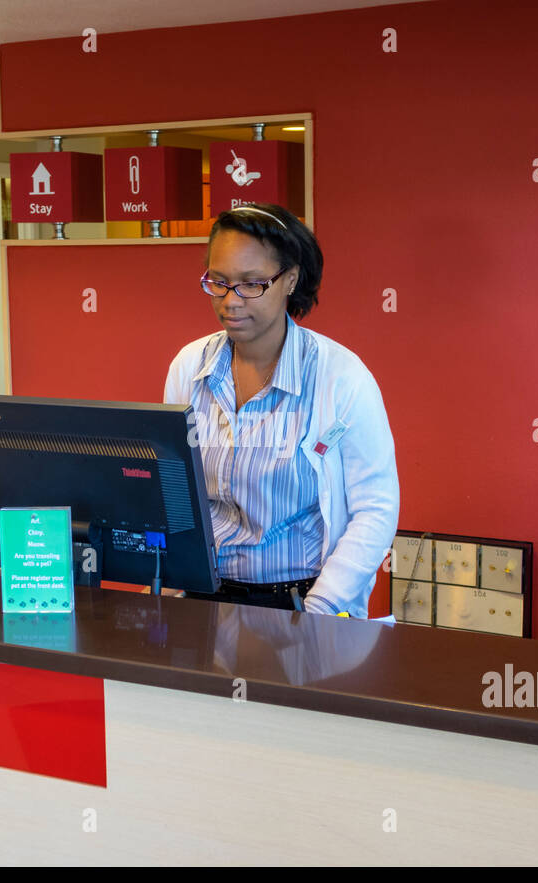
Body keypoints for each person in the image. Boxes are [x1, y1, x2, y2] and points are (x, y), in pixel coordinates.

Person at [163, 203, 399, 617]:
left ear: (290, 279)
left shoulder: (340, 377)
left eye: (251, 284)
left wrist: (319, 609)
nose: (230, 301)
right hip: (205, 596)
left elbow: (375, 508)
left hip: (301, 602)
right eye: (218, 282)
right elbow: (175, 487)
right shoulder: (190, 367)